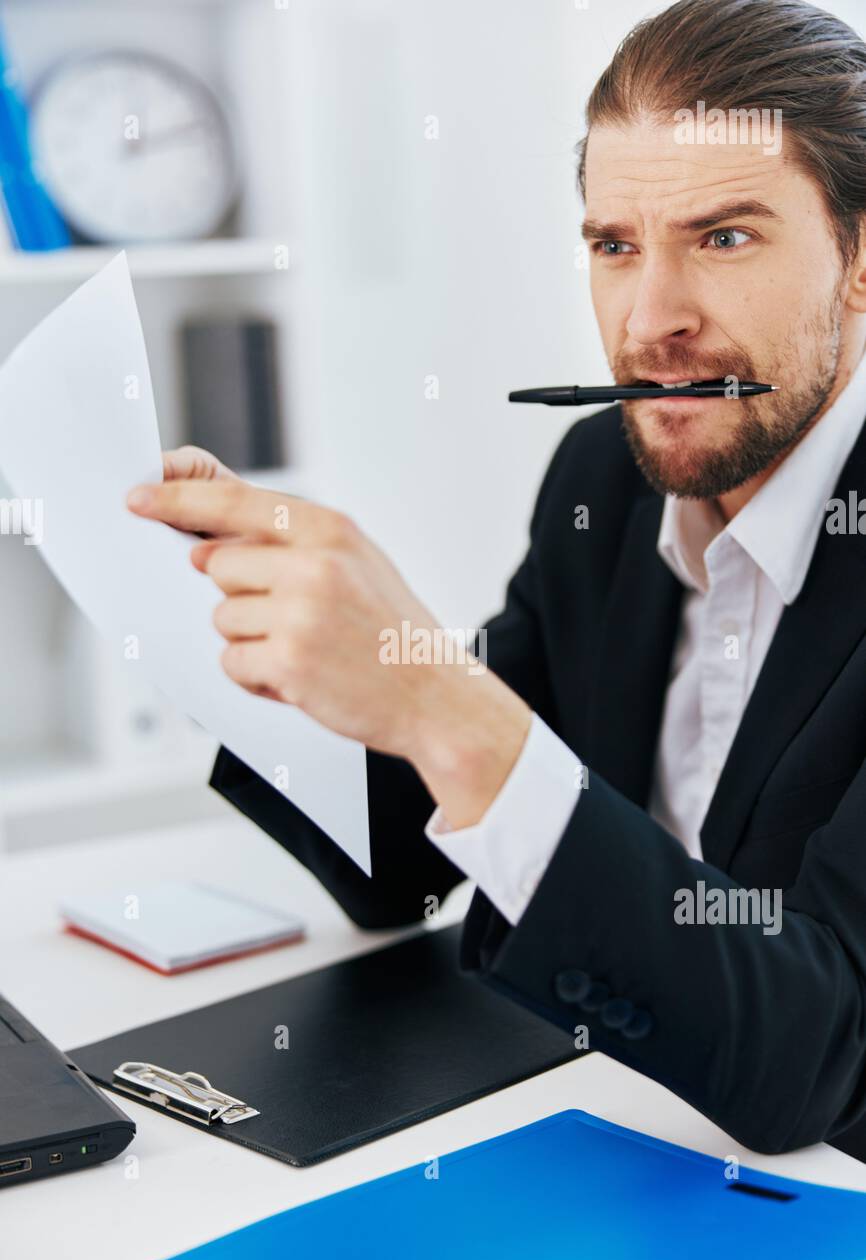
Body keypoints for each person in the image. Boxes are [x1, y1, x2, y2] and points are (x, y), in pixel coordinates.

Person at [127, 0, 866, 1159]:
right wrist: (232, 624)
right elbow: (407, 864)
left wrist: (441, 706)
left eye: (723, 238)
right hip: (600, 1131)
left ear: (857, 259)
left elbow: (818, 1058)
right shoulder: (605, 481)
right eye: (614, 245)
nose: (649, 318)